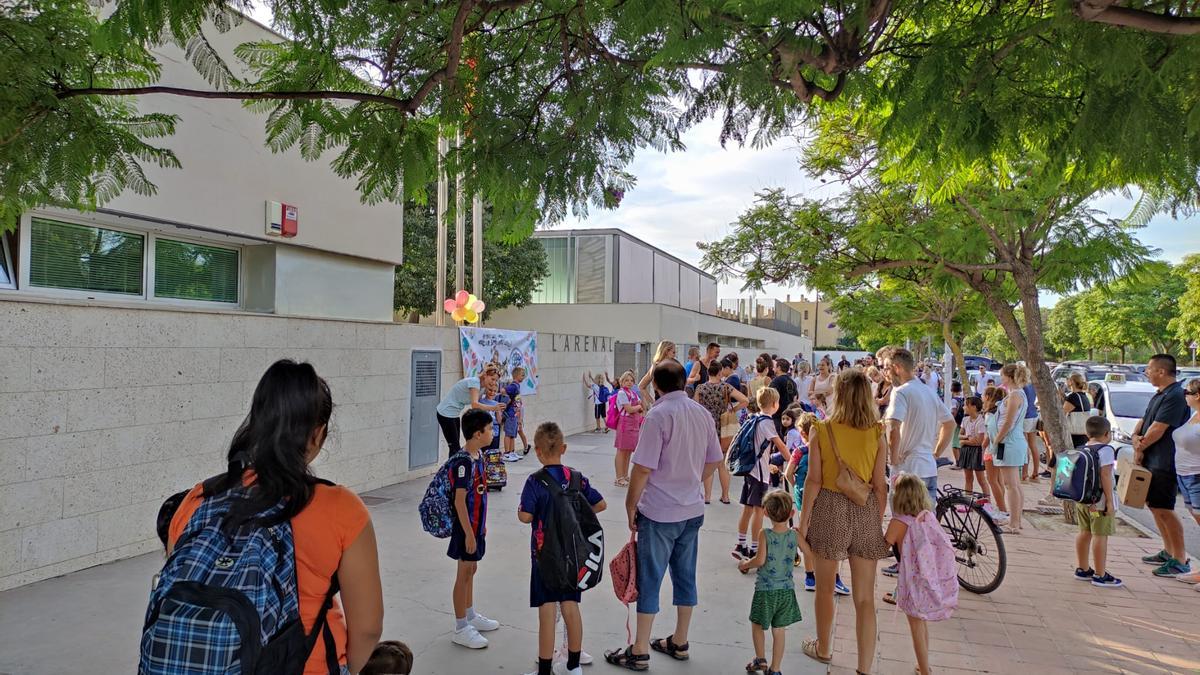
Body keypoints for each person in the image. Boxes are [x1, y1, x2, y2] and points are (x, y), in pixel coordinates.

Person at [163, 361, 383, 674]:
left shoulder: (199, 498)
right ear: (318, 434)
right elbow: (368, 628)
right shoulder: (342, 509)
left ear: (257, 423)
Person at [604, 360, 723, 670]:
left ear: (655, 385)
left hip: (658, 512)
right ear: (684, 381)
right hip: (691, 509)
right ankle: (680, 640)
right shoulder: (701, 414)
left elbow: (642, 468)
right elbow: (714, 460)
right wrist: (693, 481)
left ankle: (640, 648)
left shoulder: (657, 416)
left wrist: (631, 506)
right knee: (685, 576)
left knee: (650, 578)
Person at [798, 369, 890, 672]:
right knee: (864, 598)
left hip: (829, 507)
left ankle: (824, 648)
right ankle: (864, 667)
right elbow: (880, 485)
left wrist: (804, 522)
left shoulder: (821, 430)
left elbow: (813, 481)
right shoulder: (877, 432)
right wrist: (875, 521)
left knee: (825, 588)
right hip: (865, 508)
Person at [518, 422, 607, 675]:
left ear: (537, 451)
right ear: (564, 448)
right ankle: (573, 666)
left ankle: (545, 670)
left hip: (544, 557)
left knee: (547, 611)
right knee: (571, 606)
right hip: (573, 557)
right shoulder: (576, 479)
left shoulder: (535, 482)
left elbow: (525, 516)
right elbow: (600, 504)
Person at [1134, 354, 1192, 577]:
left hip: (1165, 461)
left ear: (1161, 371)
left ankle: (1180, 558)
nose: (1146, 373)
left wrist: (1140, 448)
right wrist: (1135, 438)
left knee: (1165, 508)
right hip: (1153, 459)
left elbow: (1158, 429)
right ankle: (1168, 551)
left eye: (1149, 369)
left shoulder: (1176, 396)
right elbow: (1144, 421)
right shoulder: (1160, 394)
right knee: (1154, 505)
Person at [447, 410, 501, 649]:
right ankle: (460, 627)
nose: (492, 433)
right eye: (489, 429)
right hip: (465, 529)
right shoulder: (463, 462)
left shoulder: (479, 456)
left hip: (476, 527)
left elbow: (479, 496)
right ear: (477, 434)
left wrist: (481, 527)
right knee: (463, 573)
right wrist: (469, 533)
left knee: (472, 569)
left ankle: (470, 615)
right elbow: (460, 502)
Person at [883, 474, 946, 675]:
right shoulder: (926, 517)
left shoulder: (898, 522)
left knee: (915, 627)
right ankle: (923, 664)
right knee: (922, 623)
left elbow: (882, 548)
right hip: (928, 578)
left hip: (912, 582)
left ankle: (925, 670)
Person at [737, 491, 803, 675]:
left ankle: (760, 659)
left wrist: (744, 564)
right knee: (779, 629)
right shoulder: (794, 535)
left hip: (765, 590)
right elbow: (809, 553)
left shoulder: (765, 534)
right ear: (791, 513)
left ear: (765, 513)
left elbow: (759, 560)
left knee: (757, 624)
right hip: (786, 591)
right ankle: (775, 669)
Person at [733, 387, 788, 562]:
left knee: (748, 509)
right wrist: (791, 459)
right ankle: (755, 548)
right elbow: (779, 444)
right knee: (758, 510)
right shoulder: (767, 422)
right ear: (774, 404)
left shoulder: (754, 418)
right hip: (759, 473)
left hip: (750, 470)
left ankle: (741, 544)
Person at [1072, 416, 1123, 588]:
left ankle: (1083, 568)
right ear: (1107, 434)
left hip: (1083, 500)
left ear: (1087, 433)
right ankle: (1100, 574)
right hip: (1099, 502)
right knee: (1100, 535)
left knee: (1084, 532)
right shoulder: (1106, 450)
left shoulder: (1082, 448)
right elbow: (1106, 475)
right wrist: (1110, 501)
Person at [693, 359, 749, 504]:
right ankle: (725, 496)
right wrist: (733, 410)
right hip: (724, 427)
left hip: (706, 427)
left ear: (708, 372)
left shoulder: (700, 388)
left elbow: (695, 407)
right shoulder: (726, 387)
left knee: (708, 462)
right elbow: (745, 400)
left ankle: (707, 497)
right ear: (719, 372)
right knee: (723, 463)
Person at [991, 364, 1031, 534]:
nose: (1001, 378)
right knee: (1014, 483)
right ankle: (1016, 519)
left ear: (1009, 377)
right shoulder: (1017, 394)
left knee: (1010, 484)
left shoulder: (1015, 395)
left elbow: (1008, 422)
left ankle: (1014, 523)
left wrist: (997, 440)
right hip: (1013, 441)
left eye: (1002, 375)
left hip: (1009, 442)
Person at [436, 364, 506, 456]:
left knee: (456, 446)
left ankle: (457, 463)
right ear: (485, 375)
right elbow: (475, 405)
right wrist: (494, 408)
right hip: (445, 413)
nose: (494, 382)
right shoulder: (475, 383)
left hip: (454, 414)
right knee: (454, 447)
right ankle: (454, 465)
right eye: (492, 379)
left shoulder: (481, 387)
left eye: (496, 380)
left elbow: (480, 405)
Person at [1175, 378, 1200, 586]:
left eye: (1187, 393)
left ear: (1197, 395)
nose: (1184, 396)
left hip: (1196, 476)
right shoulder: (1194, 415)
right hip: (1184, 475)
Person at [613, 370, 645, 488]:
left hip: (633, 425)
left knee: (628, 451)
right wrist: (638, 406)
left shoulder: (633, 393)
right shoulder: (622, 393)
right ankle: (619, 478)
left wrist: (639, 407)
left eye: (631, 380)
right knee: (621, 451)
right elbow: (629, 409)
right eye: (626, 380)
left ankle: (625, 475)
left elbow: (641, 408)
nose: (629, 382)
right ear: (622, 382)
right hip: (625, 425)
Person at [959, 396, 993, 503]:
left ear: (973, 407)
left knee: (981, 479)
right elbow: (960, 435)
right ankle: (967, 502)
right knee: (968, 478)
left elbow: (979, 441)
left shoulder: (981, 421)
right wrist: (968, 438)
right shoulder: (965, 419)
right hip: (966, 451)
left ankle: (988, 502)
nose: (964, 407)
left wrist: (964, 441)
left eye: (966, 405)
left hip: (977, 452)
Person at [982, 386, 1009, 517]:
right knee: (999, 480)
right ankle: (1001, 507)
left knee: (992, 480)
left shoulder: (989, 414)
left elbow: (989, 433)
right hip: (1001, 447)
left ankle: (1002, 509)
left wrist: (983, 445)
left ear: (988, 397)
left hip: (991, 448)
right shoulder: (1002, 412)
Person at [639, 341, 677, 406]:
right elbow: (641, 386)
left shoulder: (673, 366)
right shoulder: (656, 366)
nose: (674, 355)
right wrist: (653, 402)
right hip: (662, 403)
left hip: (673, 403)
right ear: (666, 351)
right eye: (673, 352)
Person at [1020, 368, 1042, 482]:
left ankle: (1024, 474)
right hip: (1033, 414)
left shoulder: (1021, 387)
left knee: (1025, 446)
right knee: (1033, 445)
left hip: (1025, 417)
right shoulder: (1032, 385)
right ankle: (1035, 473)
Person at [1063, 372, 1093, 449]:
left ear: (1072, 382)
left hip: (1074, 435)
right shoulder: (1084, 396)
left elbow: (1062, 414)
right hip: (1083, 434)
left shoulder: (1073, 397)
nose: (1066, 381)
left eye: (1068, 379)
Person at [770, 359, 799, 435]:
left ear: (779, 368)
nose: (773, 369)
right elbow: (795, 398)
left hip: (778, 415)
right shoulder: (792, 382)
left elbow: (771, 397)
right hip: (789, 416)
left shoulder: (776, 381)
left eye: (775, 367)